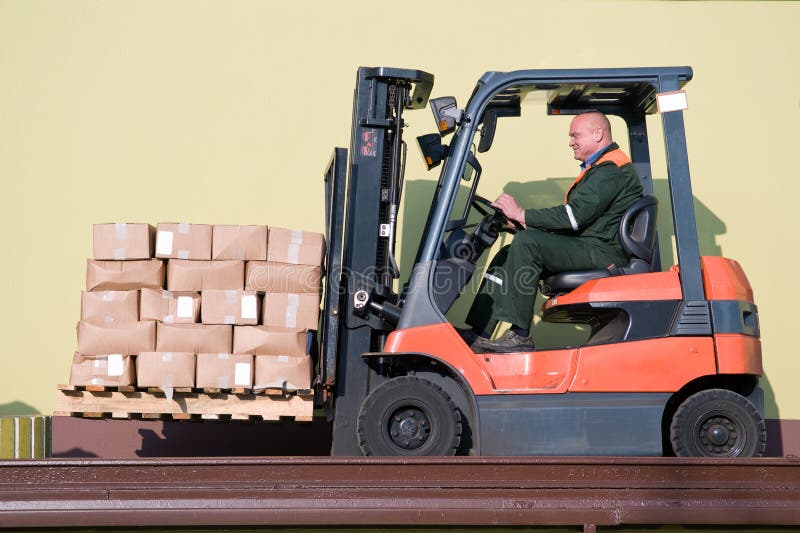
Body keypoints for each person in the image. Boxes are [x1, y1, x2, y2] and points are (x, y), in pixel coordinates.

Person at [463, 111, 643, 353]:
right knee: (508, 253)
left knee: (528, 243)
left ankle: (520, 335)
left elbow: (574, 217)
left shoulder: (610, 170)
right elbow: (579, 221)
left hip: (602, 252)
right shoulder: (599, 168)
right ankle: (479, 332)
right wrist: (520, 224)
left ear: (598, 134)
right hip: (587, 245)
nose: (571, 142)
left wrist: (523, 214)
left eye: (575, 135)